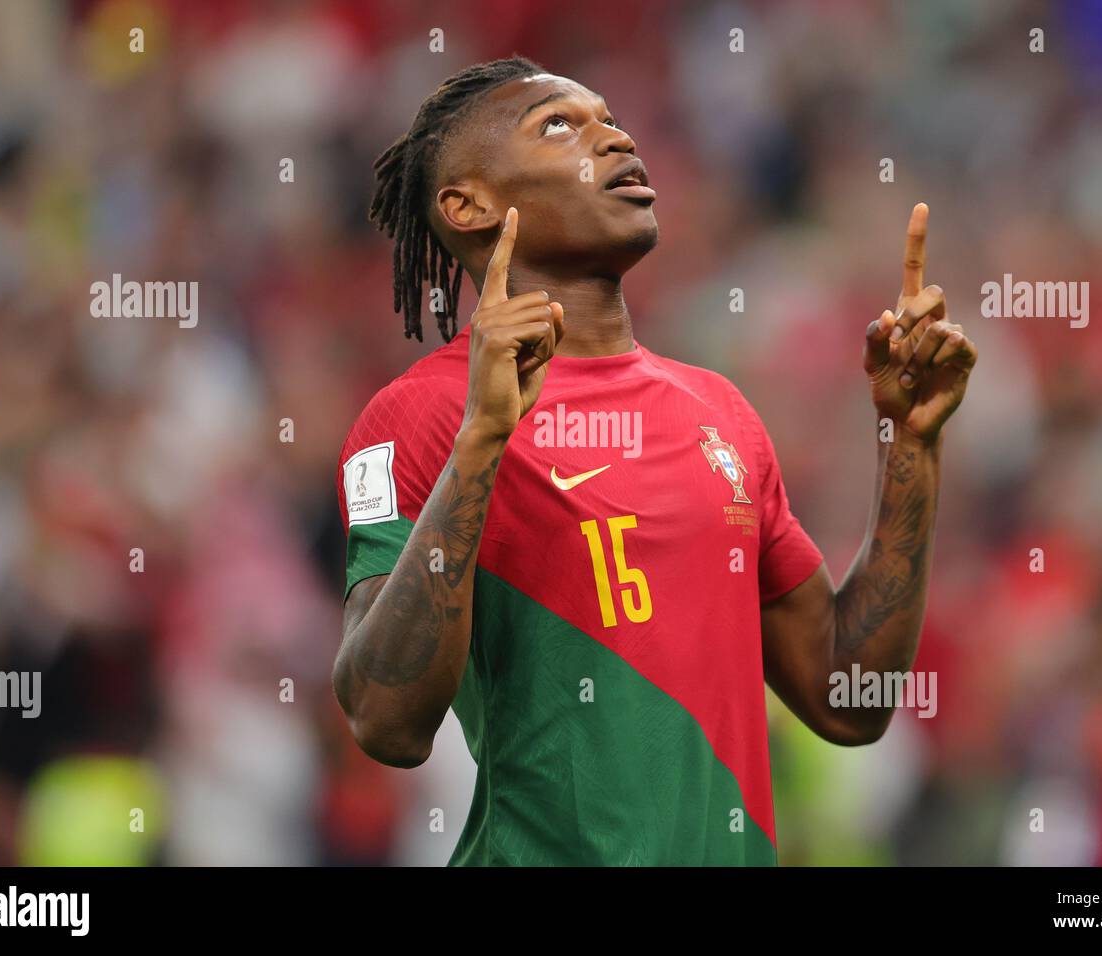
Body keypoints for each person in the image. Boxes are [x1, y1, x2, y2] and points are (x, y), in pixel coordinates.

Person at [332, 56, 978, 865]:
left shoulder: (720, 411)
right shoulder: (421, 415)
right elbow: (384, 721)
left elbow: (848, 699)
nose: (615, 139)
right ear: (469, 204)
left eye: (610, 119)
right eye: (559, 126)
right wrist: (481, 443)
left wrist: (911, 444)